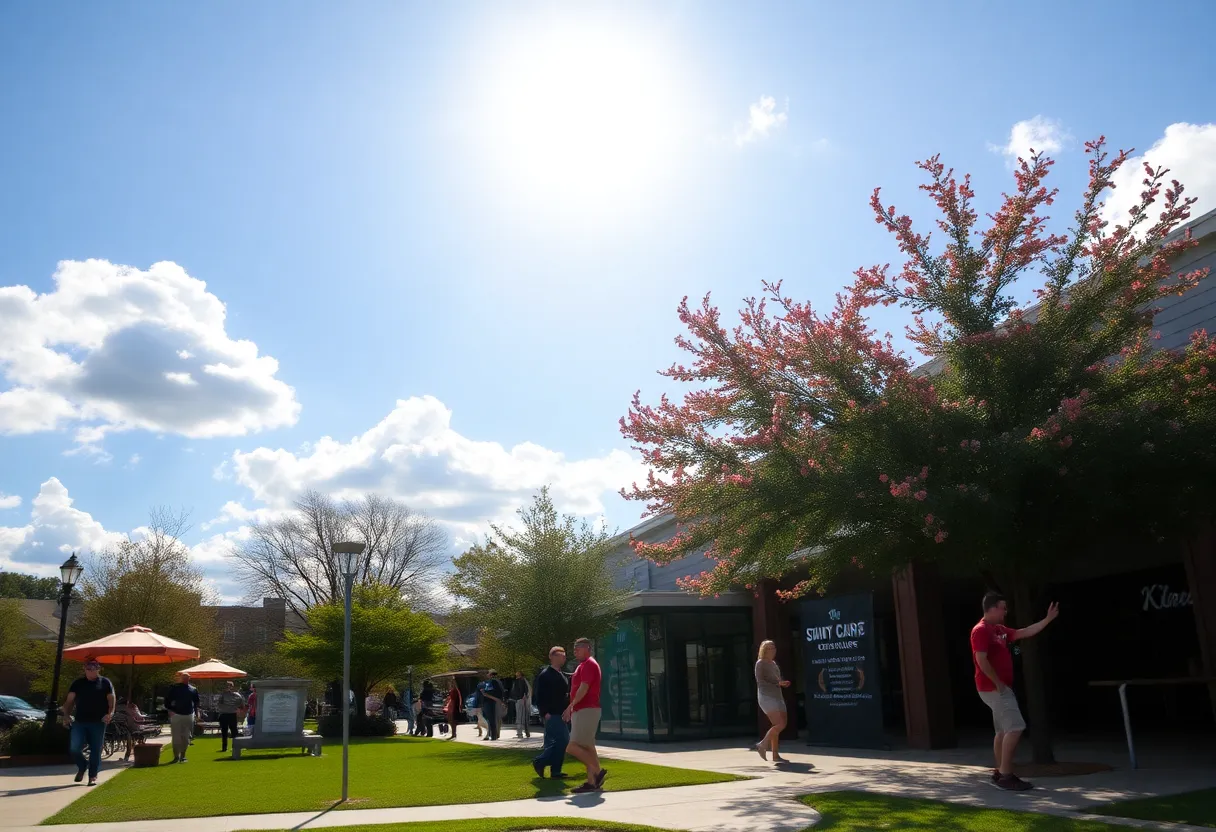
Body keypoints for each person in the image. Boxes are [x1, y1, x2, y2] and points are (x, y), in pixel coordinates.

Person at [971, 591, 1060, 791]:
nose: (1005, 612)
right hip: (995, 689)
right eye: (1003, 608)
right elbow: (981, 660)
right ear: (992, 608)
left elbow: (1025, 632)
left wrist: (1047, 619)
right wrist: (999, 684)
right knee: (1016, 727)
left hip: (997, 688)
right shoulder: (981, 630)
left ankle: (999, 772)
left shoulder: (999, 629)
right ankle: (1006, 775)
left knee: (1002, 731)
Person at [61, 658, 115, 786]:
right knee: (74, 748)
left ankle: (92, 776)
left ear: (98, 669)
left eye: (94, 668)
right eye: (89, 668)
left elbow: (111, 700)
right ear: (84, 669)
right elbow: (69, 701)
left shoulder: (105, 682)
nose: (91, 671)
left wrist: (110, 714)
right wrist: (66, 715)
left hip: (98, 721)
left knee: (96, 749)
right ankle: (82, 765)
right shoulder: (78, 683)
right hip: (80, 721)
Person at [563, 638, 605, 793]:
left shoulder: (589, 664)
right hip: (585, 710)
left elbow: (584, 687)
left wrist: (571, 705)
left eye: (578, 648)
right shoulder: (583, 665)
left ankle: (598, 772)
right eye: (574, 648)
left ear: (587, 648)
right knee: (588, 747)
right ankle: (592, 782)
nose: (575, 651)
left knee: (573, 747)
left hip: (586, 709)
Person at [532, 646, 570, 780]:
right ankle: (540, 761)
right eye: (561, 655)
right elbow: (538, 695)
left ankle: (555, 771)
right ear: (553, 656)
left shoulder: (561, 674)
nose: (564, 658)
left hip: (561, 713)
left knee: (556, 742)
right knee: (563, 740)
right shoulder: (545, 675)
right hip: (552, 714)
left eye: (565, 655)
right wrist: (544, 712)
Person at [753, 640, 792, 764]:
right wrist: (777, 683)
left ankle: (775, 755)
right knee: (779, 724)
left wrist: (781, 683)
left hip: (778, 695)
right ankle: (762, 744)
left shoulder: (774, 664)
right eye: (769, 648)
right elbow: (761, 682)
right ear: (763, 650)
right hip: (766, 696)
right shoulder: (760, 663)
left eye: (773, 647)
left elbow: (776, 680)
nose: (772, 650)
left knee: (781, 724)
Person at [165, 671, 201, 763]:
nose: (185, 679)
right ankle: (176, 756)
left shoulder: (193, 689)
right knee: (176, 737)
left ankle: (183, 756)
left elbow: (196, 703)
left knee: (186, 737)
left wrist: (197, 713)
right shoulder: (174, 688)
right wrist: (170, 711)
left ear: (189, 678)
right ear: (181, 678)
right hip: (176, 714)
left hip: (189, 714)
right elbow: (167, 701)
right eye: (184, 677)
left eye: (187, 677)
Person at [216, 680, 244, 754]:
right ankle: (224, 747)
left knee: (234, 731)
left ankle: (235, 746)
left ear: (232, 686)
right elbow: (219, 704)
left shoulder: (236, 695)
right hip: (224, 714)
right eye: (227, 685)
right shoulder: (223, 695)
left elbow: (241, 704)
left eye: (229, 685)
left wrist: (236, 709)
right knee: (225, 732)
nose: (228, 687)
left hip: (231, 714)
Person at [479, 670, 506, 741]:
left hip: (493, 701)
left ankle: (493, 735)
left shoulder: (493, 682)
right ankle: (493, 734)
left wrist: (486, 694)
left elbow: (495, 693)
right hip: (495, 701)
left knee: (492, 719)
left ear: (490, 674)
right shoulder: (497, 682)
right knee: (494, 719)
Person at [511, 670, 532, 739]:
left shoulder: (519, 681)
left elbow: (522, 692)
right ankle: (527, 732)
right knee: (525, 717)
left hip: (520, 700)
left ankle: (519, 733)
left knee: (519, 717)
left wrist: (522, 698)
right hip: (525, 701)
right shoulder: (525, 681)